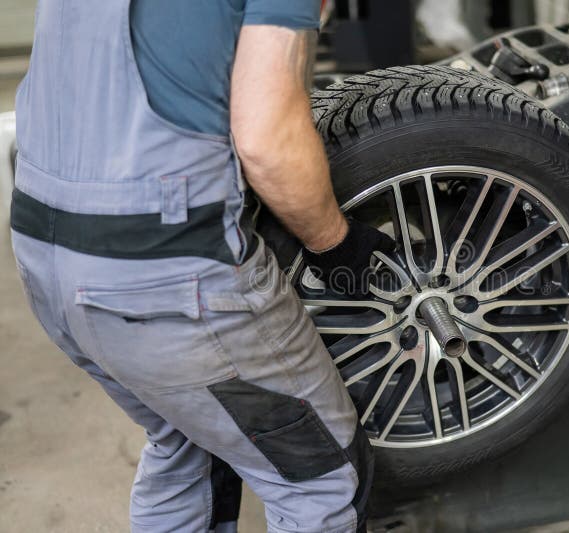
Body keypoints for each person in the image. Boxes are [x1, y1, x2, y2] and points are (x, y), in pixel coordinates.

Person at [10, 1, 394, 531]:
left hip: (44, 253)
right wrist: (336, 245)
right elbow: (267, 143)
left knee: (188, 441)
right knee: (320, 481)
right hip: (162, 275)